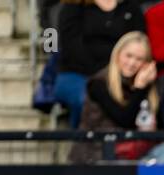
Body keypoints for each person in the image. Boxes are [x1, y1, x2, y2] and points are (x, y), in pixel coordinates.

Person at [70, 31, 160, 164]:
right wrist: (140, 88)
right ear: (117, 54)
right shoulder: (99, 83)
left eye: (139, 59)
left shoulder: (148, 86)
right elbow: (124, 119)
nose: (132, 63)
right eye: (128, 56)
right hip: (100, 154)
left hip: (135, 152)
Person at [56, 0, 146, 128]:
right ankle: (81, 138)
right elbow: (72, 47)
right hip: (78, 74)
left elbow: (139, 40)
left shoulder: (131, 7)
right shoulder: (74, 6)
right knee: (85, 100)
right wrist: (104, 73)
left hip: (119, 74)